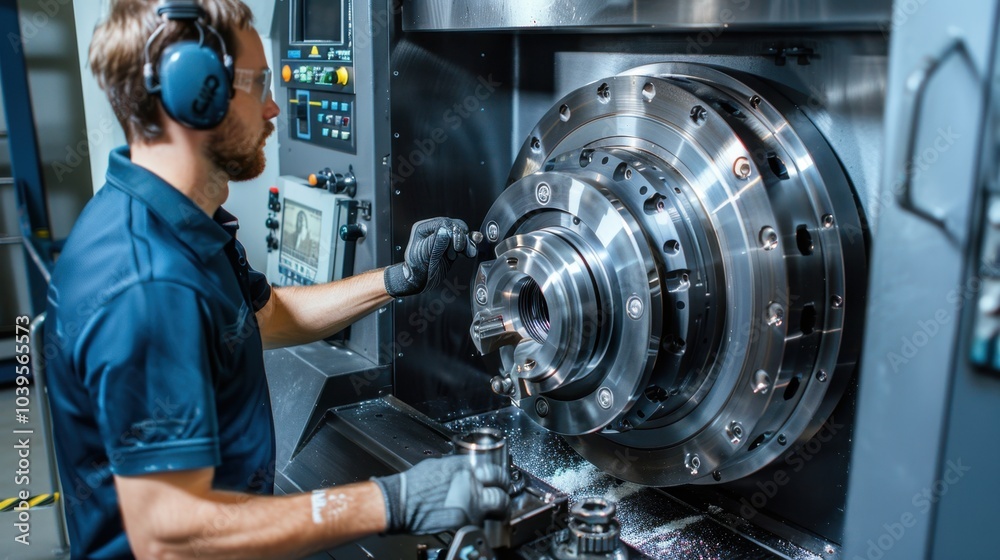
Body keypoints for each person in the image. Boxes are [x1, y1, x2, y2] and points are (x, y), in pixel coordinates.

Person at [44, 1, 508, 558]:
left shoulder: (173, 222)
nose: (273, 109)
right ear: (198, 92)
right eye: (259, 85)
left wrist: (397, 278)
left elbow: (264, 318)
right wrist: (393, 501)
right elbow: (172, 538)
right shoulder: (149, 285)